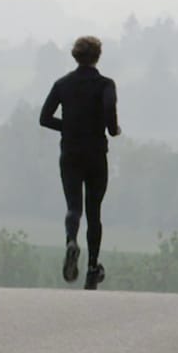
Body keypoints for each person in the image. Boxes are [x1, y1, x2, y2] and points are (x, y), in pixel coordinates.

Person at [39, 35, 120, 289]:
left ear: (76, 56)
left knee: (74, 207)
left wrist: (70, 126)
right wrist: (112, 128)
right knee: (94, 212)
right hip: (96, 152)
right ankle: (92, 268)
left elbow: (44, 118)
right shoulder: (106, 84)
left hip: (71, 153)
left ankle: (71, 241)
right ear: (98, 56)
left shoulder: (63, 84)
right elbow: (109, 110)